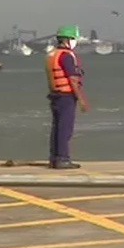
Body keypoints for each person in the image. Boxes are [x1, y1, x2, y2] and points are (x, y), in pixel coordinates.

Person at [47, 25, 89, 169]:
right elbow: (73, 79)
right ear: (68, 39)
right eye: (74, 39)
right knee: (65, 128)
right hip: (66, 96)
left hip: (55, 95)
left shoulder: (53, 54)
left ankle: (54, 158)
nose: (75, 42)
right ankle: (63, 158)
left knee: (57, 128)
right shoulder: (66, 56)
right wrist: (82, 100)